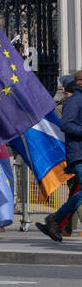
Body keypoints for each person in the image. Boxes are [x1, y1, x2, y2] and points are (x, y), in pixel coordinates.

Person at [37, 75, 82, 242]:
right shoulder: (74, 101)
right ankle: (56, 219)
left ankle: (55, 219)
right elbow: (66, 124)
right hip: (78, 154)